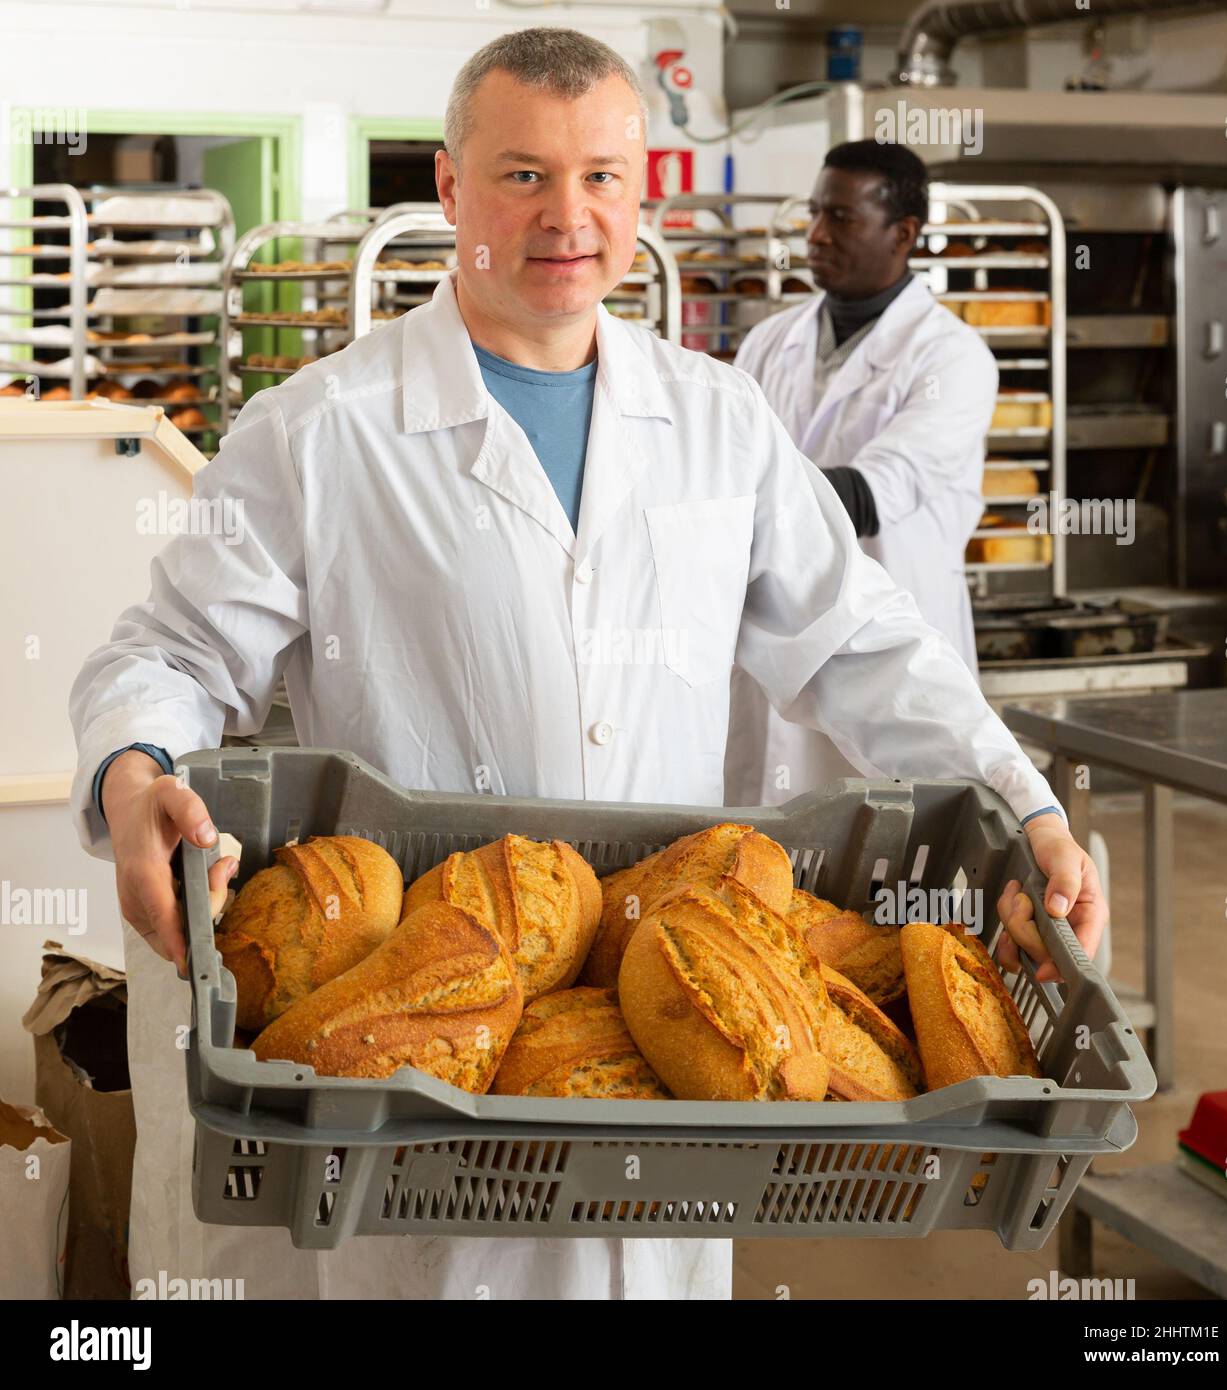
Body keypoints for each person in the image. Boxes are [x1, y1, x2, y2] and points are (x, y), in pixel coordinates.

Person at [69, 27, 1104, 1302]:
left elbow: (862, 642)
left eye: (604, 178)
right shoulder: (319, 431)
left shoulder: (718, 422)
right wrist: (133, 770)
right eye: (523, 176)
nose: (569, 217)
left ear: (640, 194)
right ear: (450, 191)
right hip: (423, 1100)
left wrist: (1029, 803)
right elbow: (169, 653)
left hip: (658, 1064)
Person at [725, 141, 994, 808]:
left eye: (840, 218)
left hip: (886, 642)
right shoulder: (768, 341)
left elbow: (873, 492)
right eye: (814, 214)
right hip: (775, 640)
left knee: (888, 865)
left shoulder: (952, 358)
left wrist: (728, 505)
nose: (815, 235)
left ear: (902, 233)